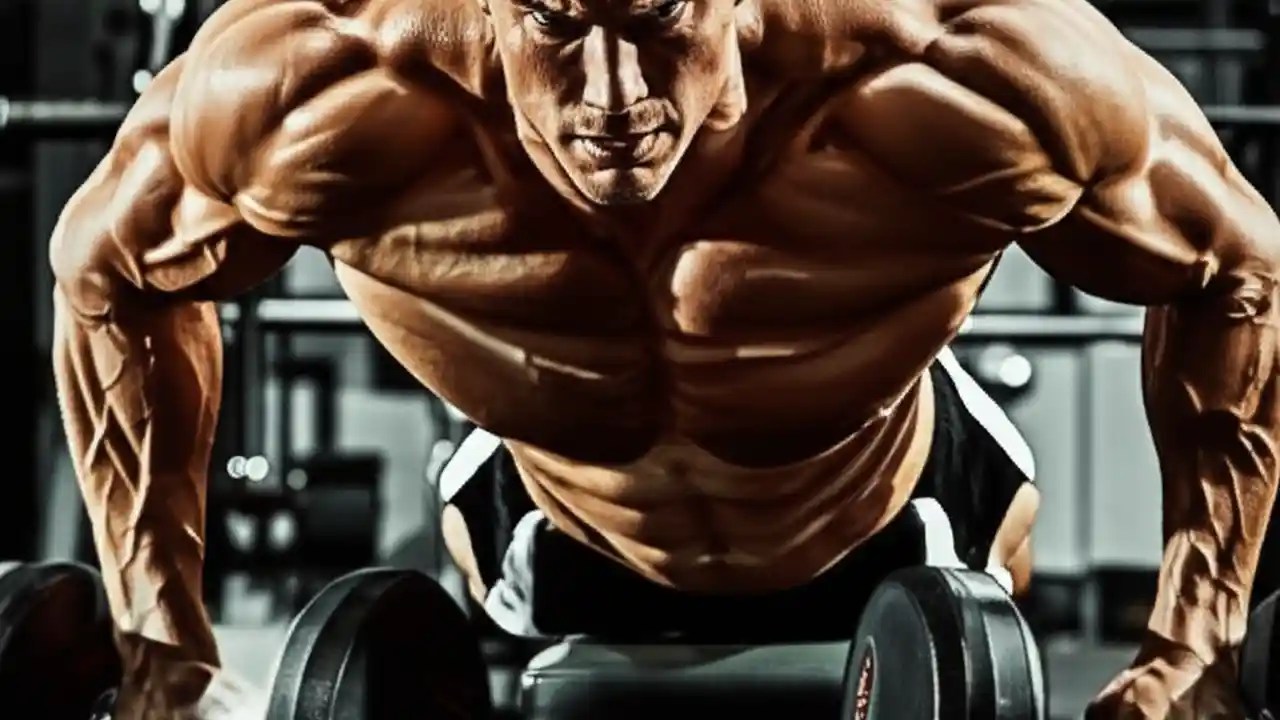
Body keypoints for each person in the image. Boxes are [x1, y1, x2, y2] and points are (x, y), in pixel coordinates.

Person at [48, 0, 1278, 717]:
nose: (611, 91)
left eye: (659, 17)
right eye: (551, 18)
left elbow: (1236, 267)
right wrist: (163, 643)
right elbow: (106, 273)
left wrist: (1190, 651)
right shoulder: (323, 80)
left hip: (899, 514)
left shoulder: (957, 64)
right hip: (547, 525)